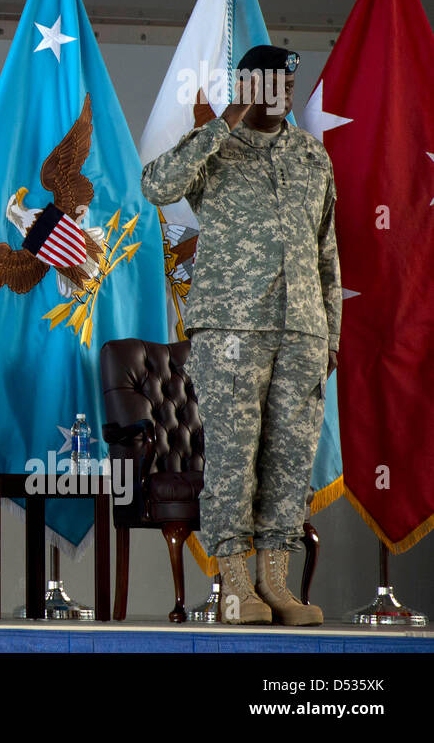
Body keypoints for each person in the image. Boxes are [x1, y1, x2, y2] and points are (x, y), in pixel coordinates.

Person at [141, 44, 341, 626]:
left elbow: (328, 251)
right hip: (232, 327)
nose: (276, 91)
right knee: (234, 457)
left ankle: (275, 585)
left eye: (284, 82)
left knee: (289, 459)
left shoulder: (312, 157)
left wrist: (330, 334)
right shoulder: (215, 147)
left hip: (301, 329)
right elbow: (157, 186)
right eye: (264, 82)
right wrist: (223, 122)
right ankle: (233, 586)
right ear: (245, 85)